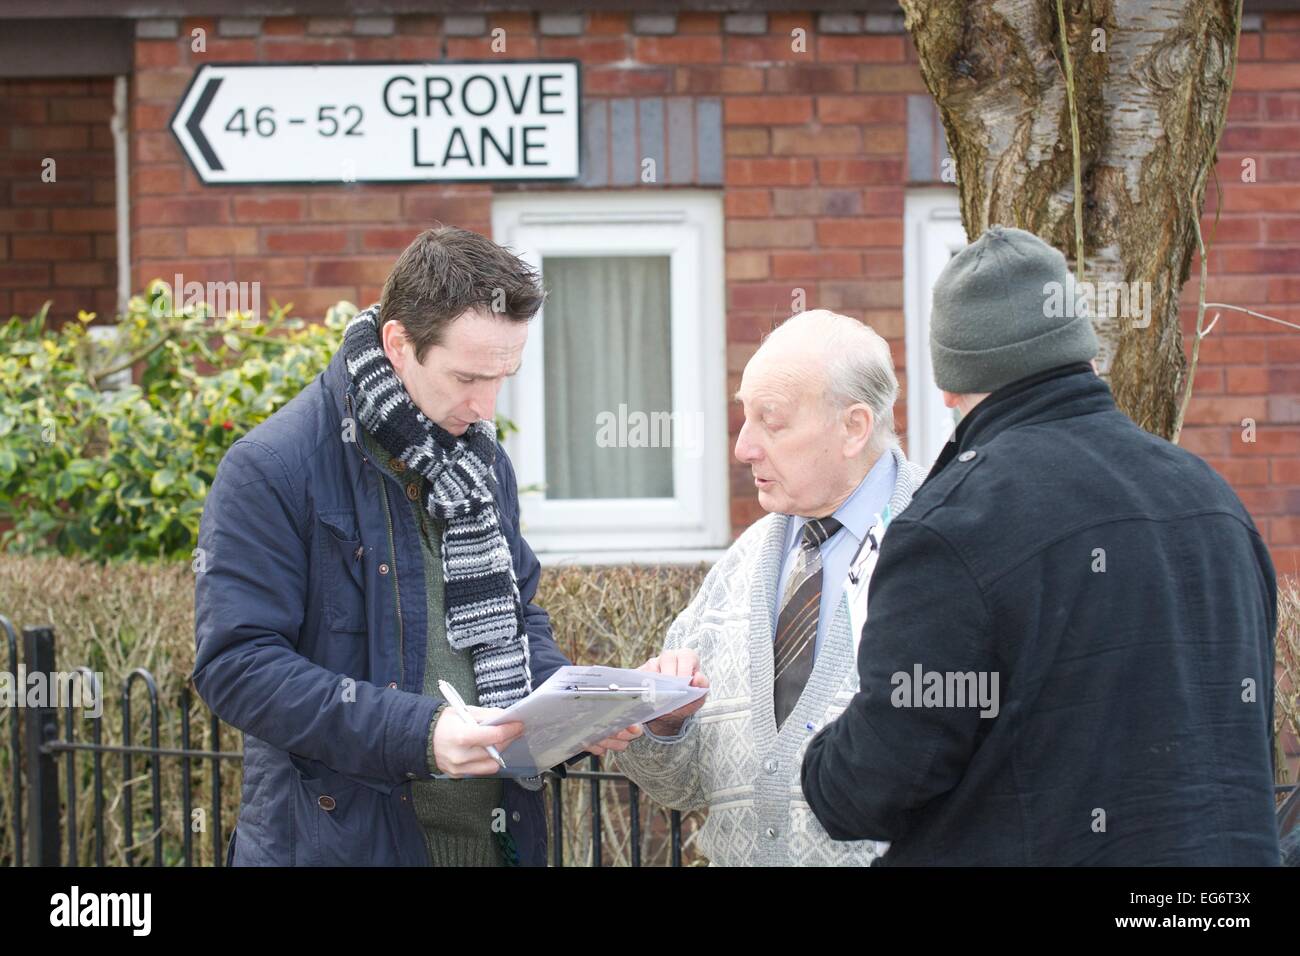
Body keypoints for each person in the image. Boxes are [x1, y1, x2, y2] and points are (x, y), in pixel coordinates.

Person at [801, 225, 1282, 865]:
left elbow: (872, 786)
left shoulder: (955, 527)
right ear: (1085, 356)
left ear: (950, 386)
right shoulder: (1214, 501)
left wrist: (819, 757)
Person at [193, 225, 637, 867]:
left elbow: (517, 621)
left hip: (495, 842)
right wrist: (421, 735)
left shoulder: (480, 463)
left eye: (503, 376)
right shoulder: (273, 466)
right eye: (466, 377)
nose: (486, 407)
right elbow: (237, 667)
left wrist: (572, 715)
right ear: (397, 344)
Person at [610, 310, 927, 865]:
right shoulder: (742, 562)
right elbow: (683, 790)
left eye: (771, 422)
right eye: (745, 418)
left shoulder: (948, 545)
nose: (743, 448)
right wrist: (662, 728)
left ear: (853, 427)